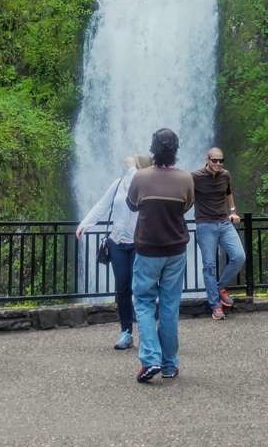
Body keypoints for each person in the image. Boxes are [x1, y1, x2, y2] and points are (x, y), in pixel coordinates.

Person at [126, 127, 194, 384]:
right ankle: (169, 364)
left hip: (147, 249)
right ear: (176, 150)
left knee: (143, 302)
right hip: (176, 250)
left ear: (152, 149)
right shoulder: (186, 178)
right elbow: (187, 206)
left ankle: (150, 359)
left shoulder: (140, 177)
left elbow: (132, 204)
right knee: (169, 306)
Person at [76, 153, 152, 350]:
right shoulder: (118, 184)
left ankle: (147, 333)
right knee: (122, 288)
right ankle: (126, 332)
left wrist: (131, 166)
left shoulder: (146, 184)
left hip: (139, 242)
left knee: (141, 287)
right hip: (117, 242)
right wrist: (85, 224)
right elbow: (102, 205)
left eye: (133, 165)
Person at [191, 145, 245, 321]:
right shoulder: (195, 177)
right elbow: (187, 196)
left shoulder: (225, 175)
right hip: (205, 225)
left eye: (221, 160)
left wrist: (233, 210)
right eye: (215, 160)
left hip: (224, 223)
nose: (218, 163)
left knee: (239, 256)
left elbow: (228, 192)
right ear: (207, 160)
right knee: (209, 266)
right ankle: (215, 305)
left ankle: (219, 287)